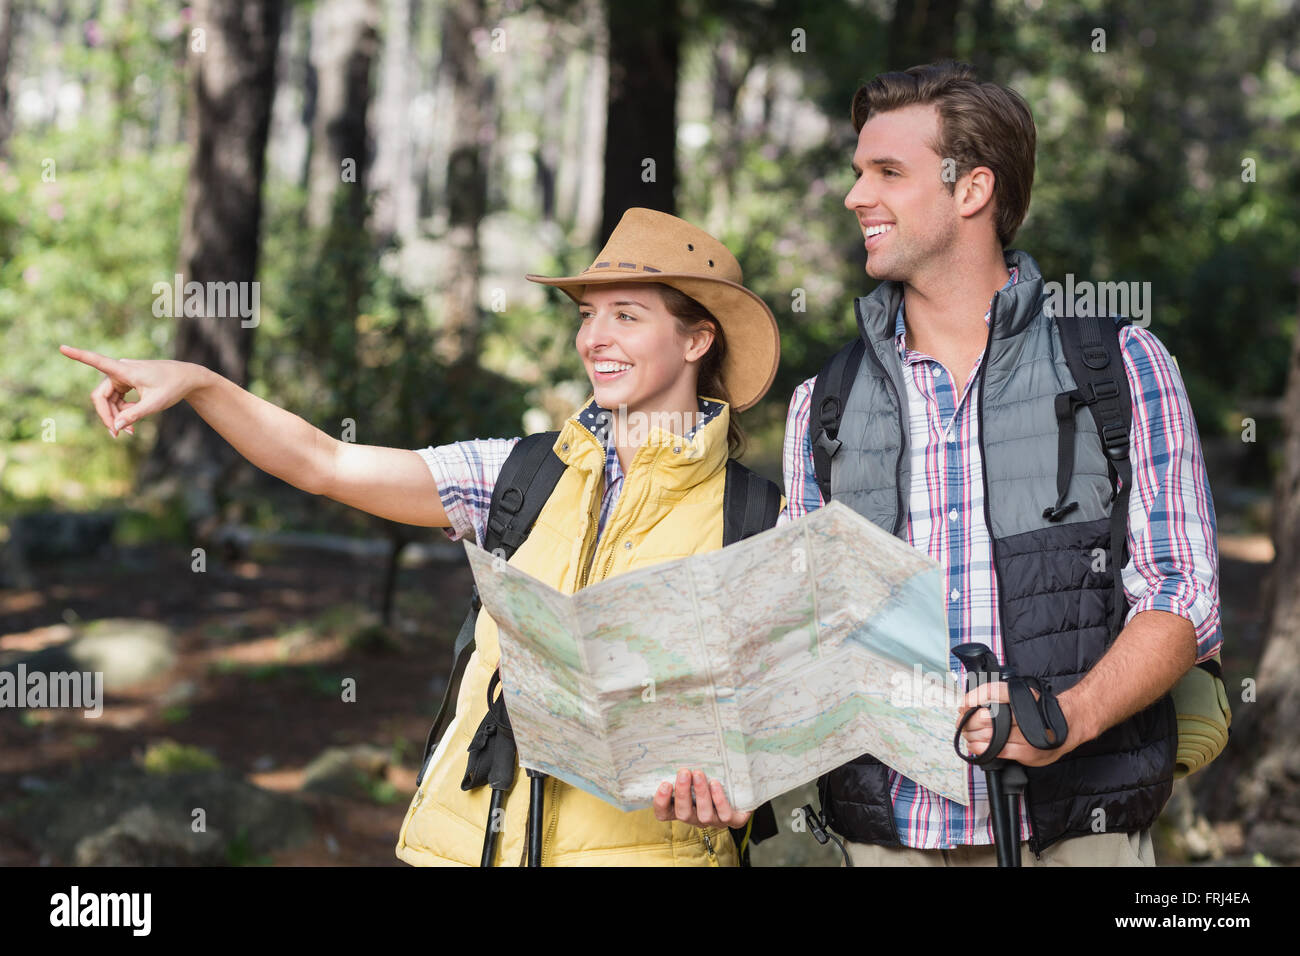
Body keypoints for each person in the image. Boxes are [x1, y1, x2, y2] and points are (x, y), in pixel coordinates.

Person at [61, 207, 783, 866]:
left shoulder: (758, 521)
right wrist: (199, 382)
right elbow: (327, 463)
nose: (594, 338)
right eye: (589, 315)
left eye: (626, 316)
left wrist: (743, 789)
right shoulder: (525, 473)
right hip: (462, 844)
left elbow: (784, 728)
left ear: (697, 337)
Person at [781, 61, 1222, 866]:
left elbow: (1182, 595)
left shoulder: (1119, 367)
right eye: (857, 172)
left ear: (972, 190)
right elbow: (798, 627)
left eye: (887, 172)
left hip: (1075, 831)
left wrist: (1067, 719)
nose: (855, 197)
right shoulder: (825, 404)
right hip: (887, 838)